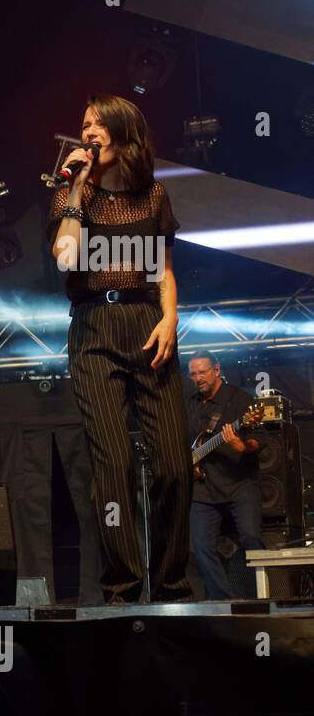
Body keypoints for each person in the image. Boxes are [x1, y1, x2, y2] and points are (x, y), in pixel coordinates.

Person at [48, 93, 191, 604]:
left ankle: (172, 584)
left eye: (97, 122)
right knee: (114, 465)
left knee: (175, 465)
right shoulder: (73, 193)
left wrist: (171, 317)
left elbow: (164, 271)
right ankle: (123, 589)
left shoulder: (153, 195)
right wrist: (76, 185)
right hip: (94, 329)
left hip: (148, 322)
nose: (87, 129)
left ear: (121, 130)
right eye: (83, 122)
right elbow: (66, 257)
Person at [186, 351, 263, 599]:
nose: (198, 378)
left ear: (216, 370)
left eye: (202, 372)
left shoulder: (240, 401)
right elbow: (186, 443)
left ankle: (260, 596)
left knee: (251, 538)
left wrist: (240, 446)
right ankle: (222, 601)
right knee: (199, 547)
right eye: (193, 374)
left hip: (239, 484)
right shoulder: (191, 405)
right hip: (204, 488)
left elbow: (257, 443)